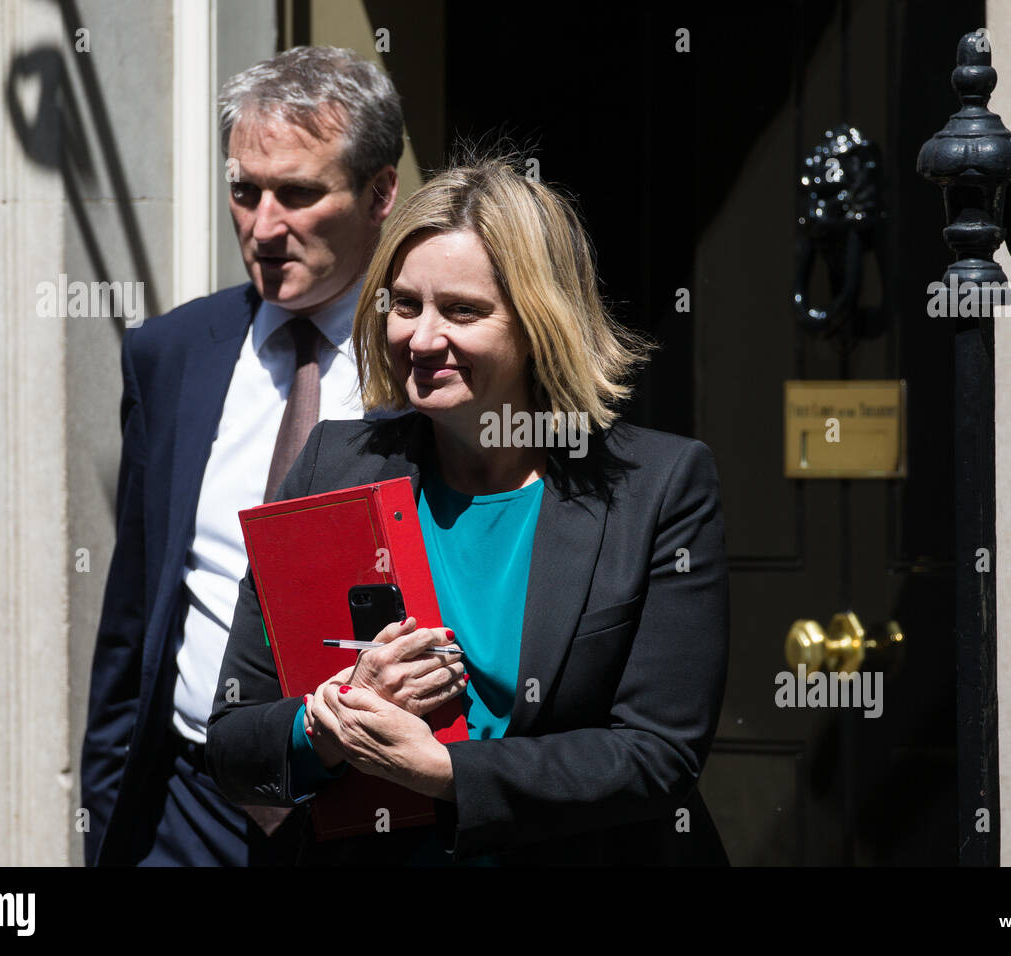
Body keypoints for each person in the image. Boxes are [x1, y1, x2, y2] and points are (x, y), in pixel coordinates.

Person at [206, 156, 731, 864]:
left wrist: (447, 775)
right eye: (405, 304)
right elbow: (236, 739)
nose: (421, 339)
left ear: (541, 321)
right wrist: (326, 726)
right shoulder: (333, 466)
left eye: (462, 311)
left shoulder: (658, 486)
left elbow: (658, 754)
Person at [80, 46, 407, 866]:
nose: (263, 227)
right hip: (186, 811)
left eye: (298, 193)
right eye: (244, 191)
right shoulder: (173, 352)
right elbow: (136, 609)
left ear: (380, 195)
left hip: (374, 808)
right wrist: (108, 810)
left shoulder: (430, 358)